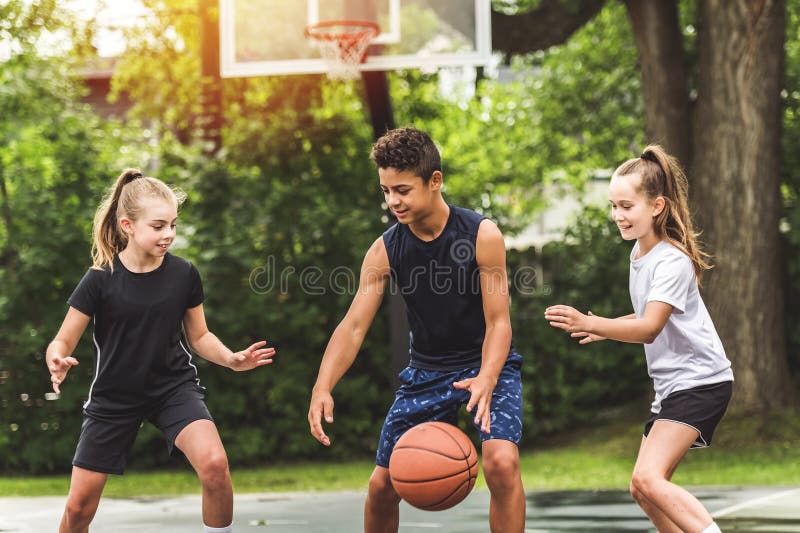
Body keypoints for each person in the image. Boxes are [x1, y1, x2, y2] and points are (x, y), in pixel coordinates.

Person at [307, 126, 526, 533]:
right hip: (426, 373)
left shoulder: (481, 235)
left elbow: (500, 323)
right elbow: (354, 326)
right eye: (386, 191)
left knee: (501, 461)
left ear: (435, 181)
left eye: (403, 190)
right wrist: (323, 386)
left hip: (488, 366)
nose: (393, 201)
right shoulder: (386, 249)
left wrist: (487, 377)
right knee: (382, 486)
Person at [46, 169, 276, 533]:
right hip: (114, 396)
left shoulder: (184, 274)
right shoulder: (100, 278)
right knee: (77, 510)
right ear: (127, 225)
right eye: (158, 226)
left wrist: (231, 358)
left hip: (172, 388)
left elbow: (199, 337)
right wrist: (57, 360)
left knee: (215, 466)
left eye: (172, 224)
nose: (168, 234)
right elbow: (62, 340)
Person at [544, 145, 733, 533]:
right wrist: (603, 325)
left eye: (627, 206)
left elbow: (649, 327)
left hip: (701, 382)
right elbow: (650, 314)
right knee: (641, 488)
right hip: (675, 386)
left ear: (657, 206)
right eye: (614, 206)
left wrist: (595, 324)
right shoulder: (639, 254)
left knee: (649, 479)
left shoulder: (672, 261)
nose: (618, 215)